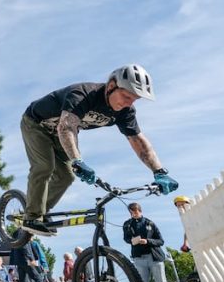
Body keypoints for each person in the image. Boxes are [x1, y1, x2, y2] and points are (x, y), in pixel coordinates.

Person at [19, 65, 178, 236]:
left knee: (66, 176)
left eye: (134, 99)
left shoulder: (125, 112)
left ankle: (41, 210)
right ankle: (32, 217)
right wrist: (77, 160)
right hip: (36, 124)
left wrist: (159, 171)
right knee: (45, 166)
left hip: (61, 134)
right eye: (126, 96)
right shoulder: (82, 94)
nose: (128, 103)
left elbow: (137, 139)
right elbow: (66, 127)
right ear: (111, 86)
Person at [123, 202, 174, 282]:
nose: (134, 214)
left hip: (154, 257)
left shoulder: (150, 223)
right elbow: (126, 238)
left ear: (140, 211)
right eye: (131, 212)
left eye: (135, 211)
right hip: (139, 258)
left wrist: (148, 241)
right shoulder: (127, 224)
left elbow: (161, 241)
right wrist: (132, 240)